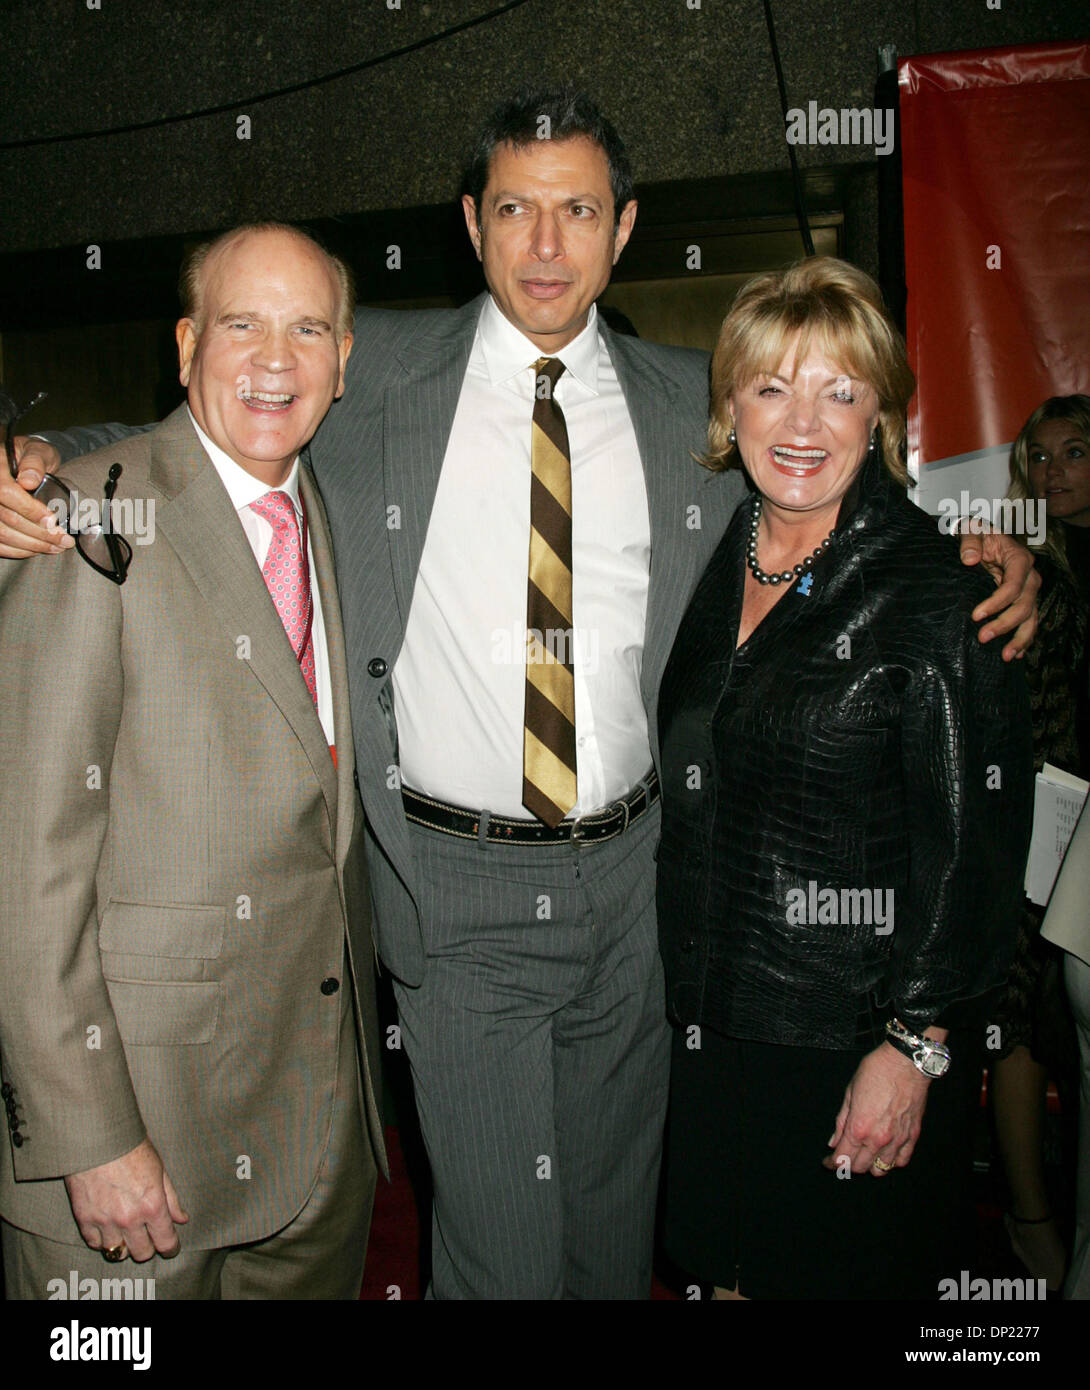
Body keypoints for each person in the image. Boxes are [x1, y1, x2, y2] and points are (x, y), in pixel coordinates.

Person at [0, 90, 1040, 1300]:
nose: (547, 246)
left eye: (579, 211)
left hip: (640, 888)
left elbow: (831, 473)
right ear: (471, 223)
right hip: (459, 890)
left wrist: (974, 550)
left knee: (610, 1235)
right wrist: (39, 463)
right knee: (499, 1254)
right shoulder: (366, 368)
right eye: (516, 211)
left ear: (626, 228)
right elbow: (216, 414)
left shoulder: (693, 402)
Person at [0, 223, 386, 1300]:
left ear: (345, 359)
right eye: (241, 324)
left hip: (316, 1138)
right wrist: (87, 1135)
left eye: (308, 328)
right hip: (135, 1152)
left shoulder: (329, 512)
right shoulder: (79, 516)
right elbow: (24, 863)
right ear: (183, 346)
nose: (276, 358)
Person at [656, 256, 1034, 1300]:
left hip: (851, 1035)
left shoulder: (939, 589)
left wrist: (914, 1046)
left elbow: (975, 850)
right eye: (772, 386)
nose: (802, 422)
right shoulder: (710, 549)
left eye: (839, 391)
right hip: (710, 1022)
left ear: (882, 414)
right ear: (730, 406)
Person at [992, 396, 1090, 1289]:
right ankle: (1030, 1221)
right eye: (1041, 457)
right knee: (1018, 1014)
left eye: (1076, 453)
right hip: (1044, 818)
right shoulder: (1023, 568)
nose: (1055, 472)